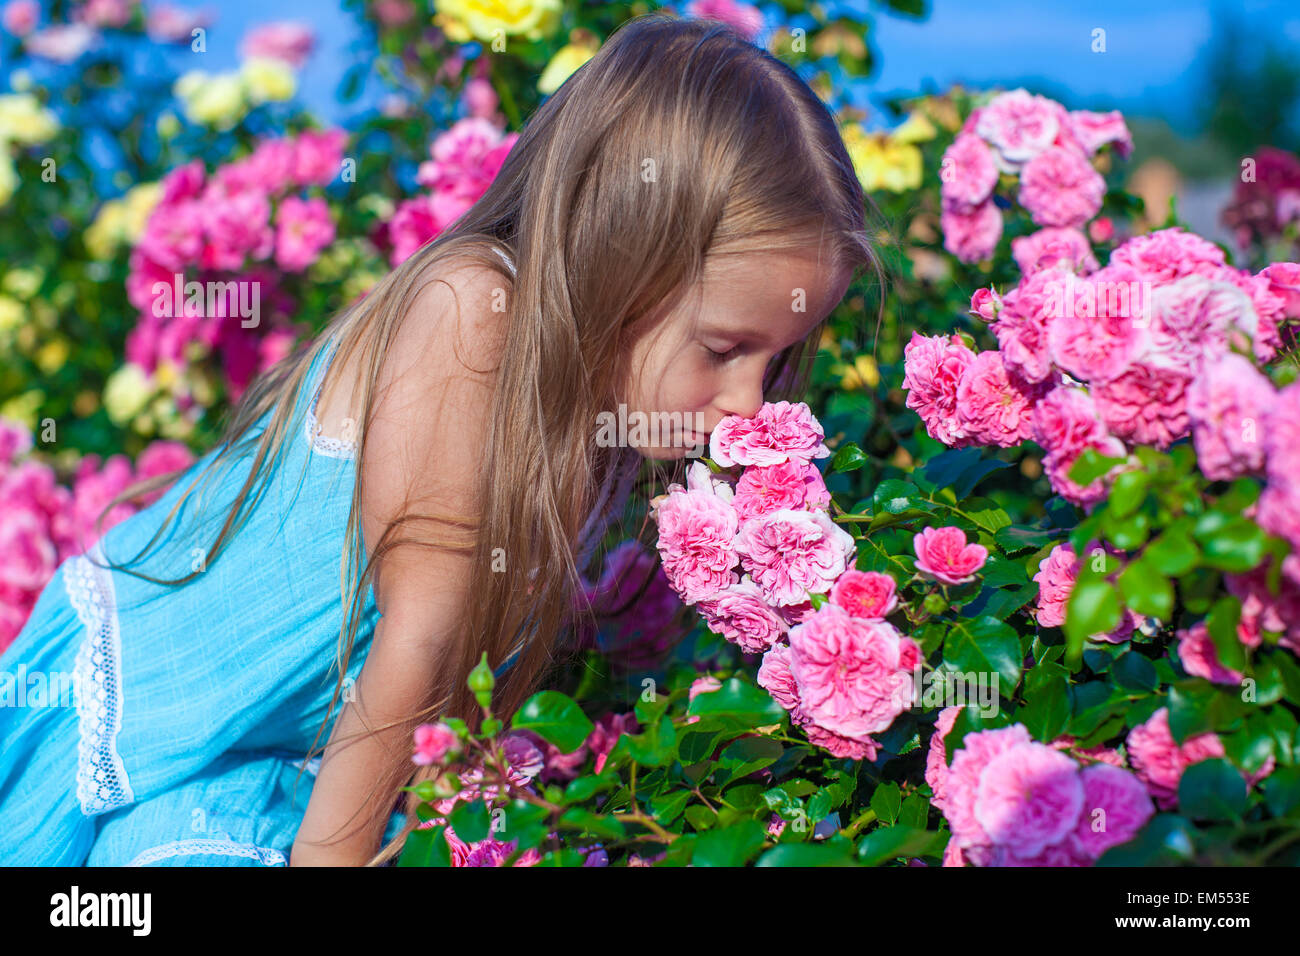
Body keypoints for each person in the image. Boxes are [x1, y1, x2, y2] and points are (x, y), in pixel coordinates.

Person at [0, 12, 880, 867]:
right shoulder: (473, 315)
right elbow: (419, 637)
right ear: (619, 255)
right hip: (154, 728)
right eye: (725, 348)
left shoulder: (598, 408)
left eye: (779, 356)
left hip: (291, 761)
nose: (748, 400)